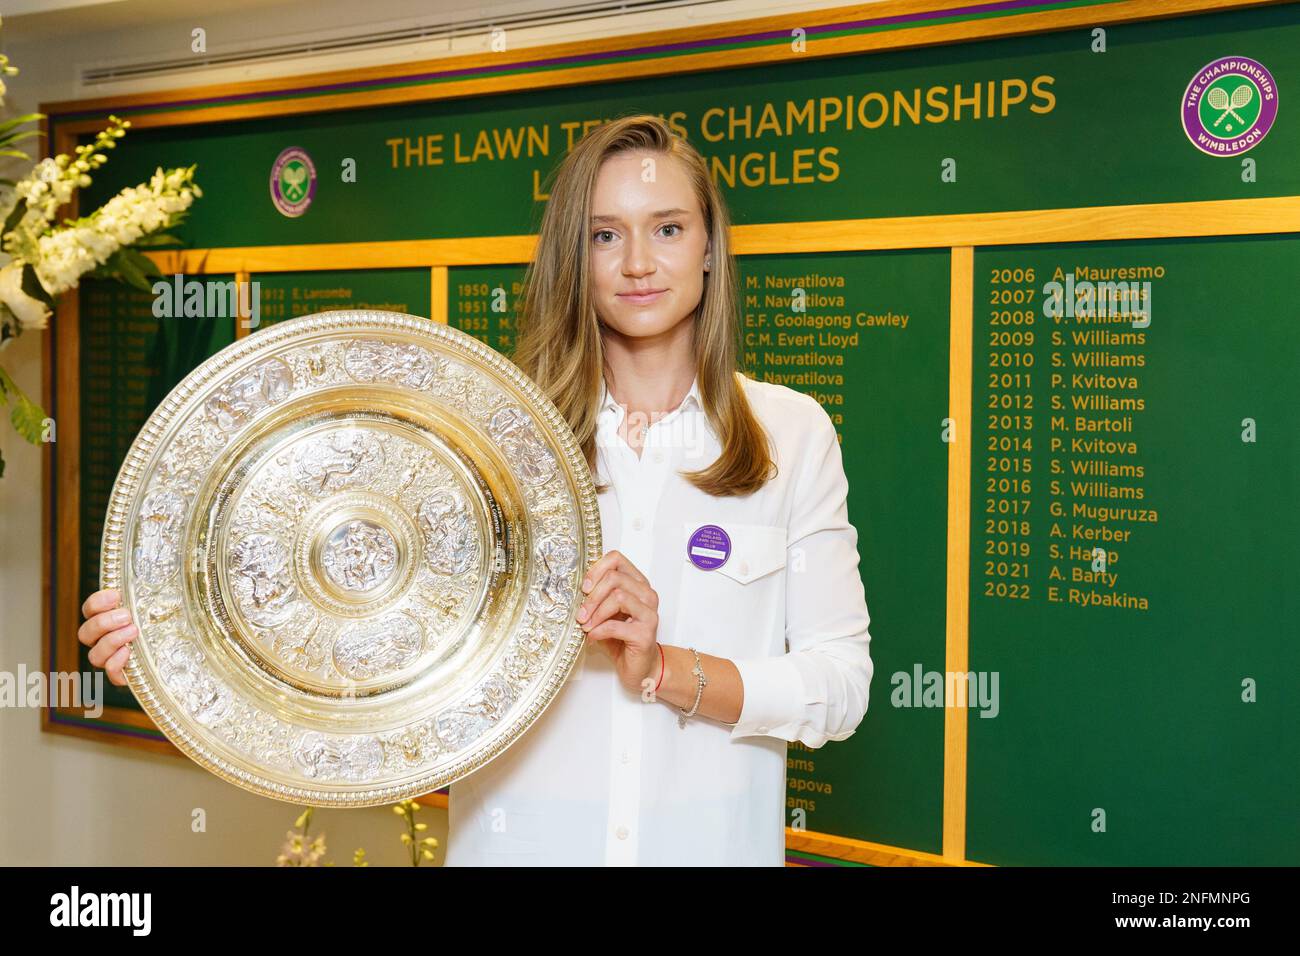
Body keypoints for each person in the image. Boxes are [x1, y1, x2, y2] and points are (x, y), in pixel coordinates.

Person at [78, 113, 874, 866]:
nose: (638, 262)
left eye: (668, 228)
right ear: (574, 256)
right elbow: (365, 646)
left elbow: (840, 687)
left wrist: (663, 667)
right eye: (605, 235)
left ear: (708, 248)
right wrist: (179, 647)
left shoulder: (792, 434)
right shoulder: (483, 443)